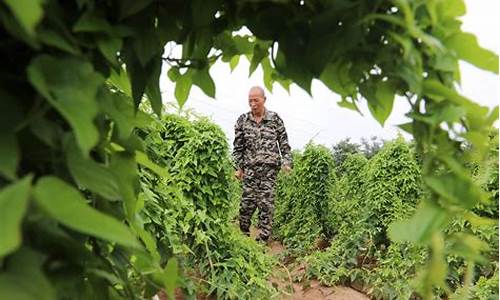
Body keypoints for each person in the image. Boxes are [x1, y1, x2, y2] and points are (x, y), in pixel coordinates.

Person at [233, 86, 292, 242]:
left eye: (256, 100)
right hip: (250, 172)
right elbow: (238, 148)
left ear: (264, 100)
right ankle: (244, 238)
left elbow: (284, 144)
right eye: (250, 100)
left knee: (266, 208)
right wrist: (238, 167)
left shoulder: (275, 119)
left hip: (269, 172)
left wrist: (287, 162)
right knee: (246, 208)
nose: (253, 103)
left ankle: (262, 244)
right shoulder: (242, 120)